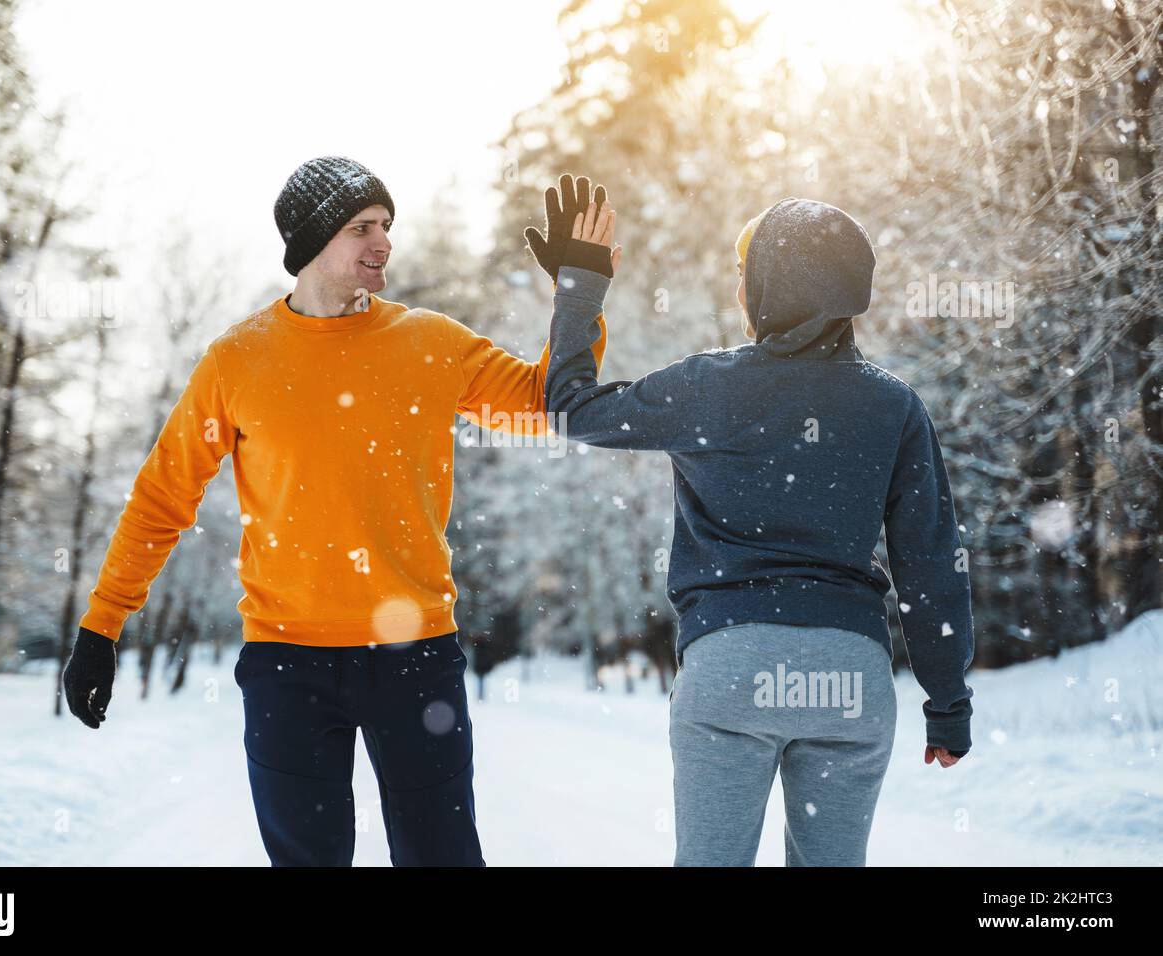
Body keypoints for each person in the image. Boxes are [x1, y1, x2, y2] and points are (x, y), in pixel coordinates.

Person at [62, 157, 611, 867]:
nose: (383, 242)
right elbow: (163, 497)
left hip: (415, 657)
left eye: (386, 225)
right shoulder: (237, 361)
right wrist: (100, 627)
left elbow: (550, 407)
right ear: (310, 244)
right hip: (286, 663)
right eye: (361, 228)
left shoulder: (431, 342)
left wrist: (578, 296)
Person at [545, 195, 974, 866]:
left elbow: (571, 409)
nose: (740, 289)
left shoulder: (708, 387)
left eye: (748, 272)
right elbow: (929, 561)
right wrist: (948, 703)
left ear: (771, 288)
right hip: (850, 678)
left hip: (731, 668)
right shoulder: (893, 404)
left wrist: (579, 291)